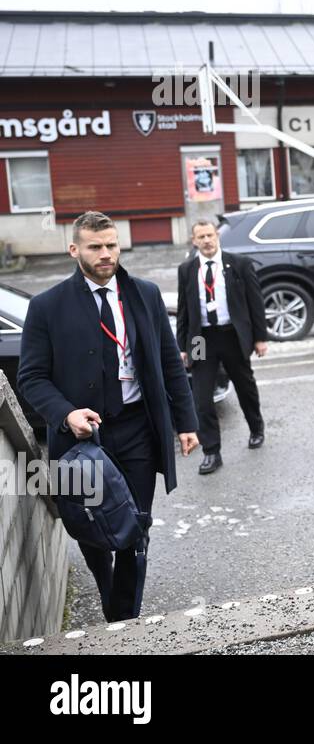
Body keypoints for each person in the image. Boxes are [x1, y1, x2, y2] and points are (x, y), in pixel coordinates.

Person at [17, 210, 200, 622]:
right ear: (74, 249)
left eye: (112, 245)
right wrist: (66, 415)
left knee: (136, 528)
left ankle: (123, 621)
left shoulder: (145, 294)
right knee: (93, 531)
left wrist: (187, 422)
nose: (106, 254)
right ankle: (110, 597)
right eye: (95, 247)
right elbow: (31, 378)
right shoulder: (47, 307)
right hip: (80, 439)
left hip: (137, 429)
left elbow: (170, 362)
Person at [176, 218, 270, 474]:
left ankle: (256, 428)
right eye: (201, 237)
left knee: (245, 386)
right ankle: (211, 452)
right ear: (194, 240)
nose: (206, 240)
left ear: (216, 236)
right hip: (200, 339)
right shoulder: (186, 270)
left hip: (232, 335)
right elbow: (184, 309)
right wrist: (182, 345)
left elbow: (255, 303)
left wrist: (260, 338)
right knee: (201, 398)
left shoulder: (238, 264)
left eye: (210, 235)